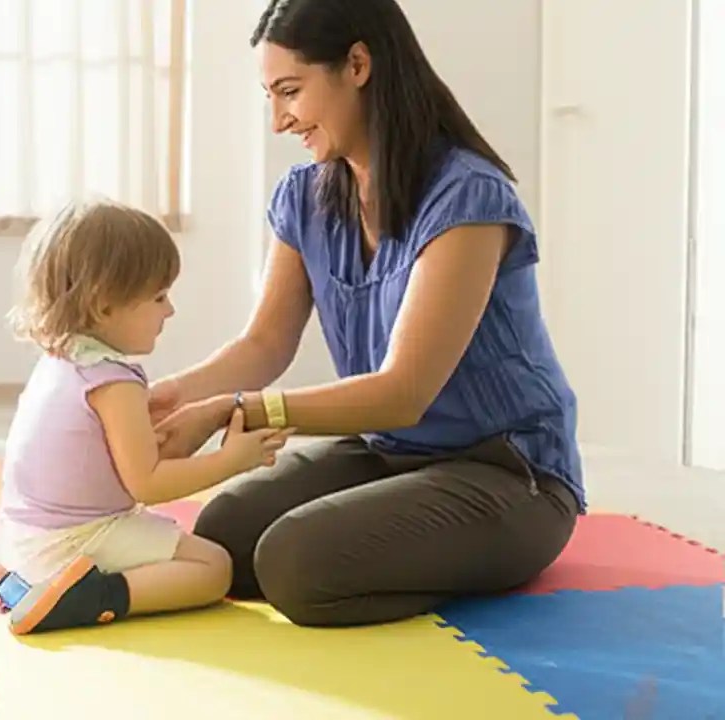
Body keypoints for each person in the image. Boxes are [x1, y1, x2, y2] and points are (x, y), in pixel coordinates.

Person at [149, 0, 585, 628]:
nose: (279, 121)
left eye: (290, 92)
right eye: (270, 97)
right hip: (392, 452)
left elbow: (402, 393)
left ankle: (469, 564)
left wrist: (235, 411)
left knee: (296, 564)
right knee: (222, 536)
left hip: (508, 471)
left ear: (357, 64)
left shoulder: (468, 197)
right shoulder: (307, 195)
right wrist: (171, 397)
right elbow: (266, 342)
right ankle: (410, 547)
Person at [0, 197, 293, 635]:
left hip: (24, 538)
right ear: (103, 305)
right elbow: (147, 485)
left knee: (167, 542)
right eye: (158, 297)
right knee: (213, 566)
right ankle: (94, 597)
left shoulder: (64, 359)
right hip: (76, 543)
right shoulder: (114, 381)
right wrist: (232, 461)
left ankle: (15, 585)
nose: (169, 311)